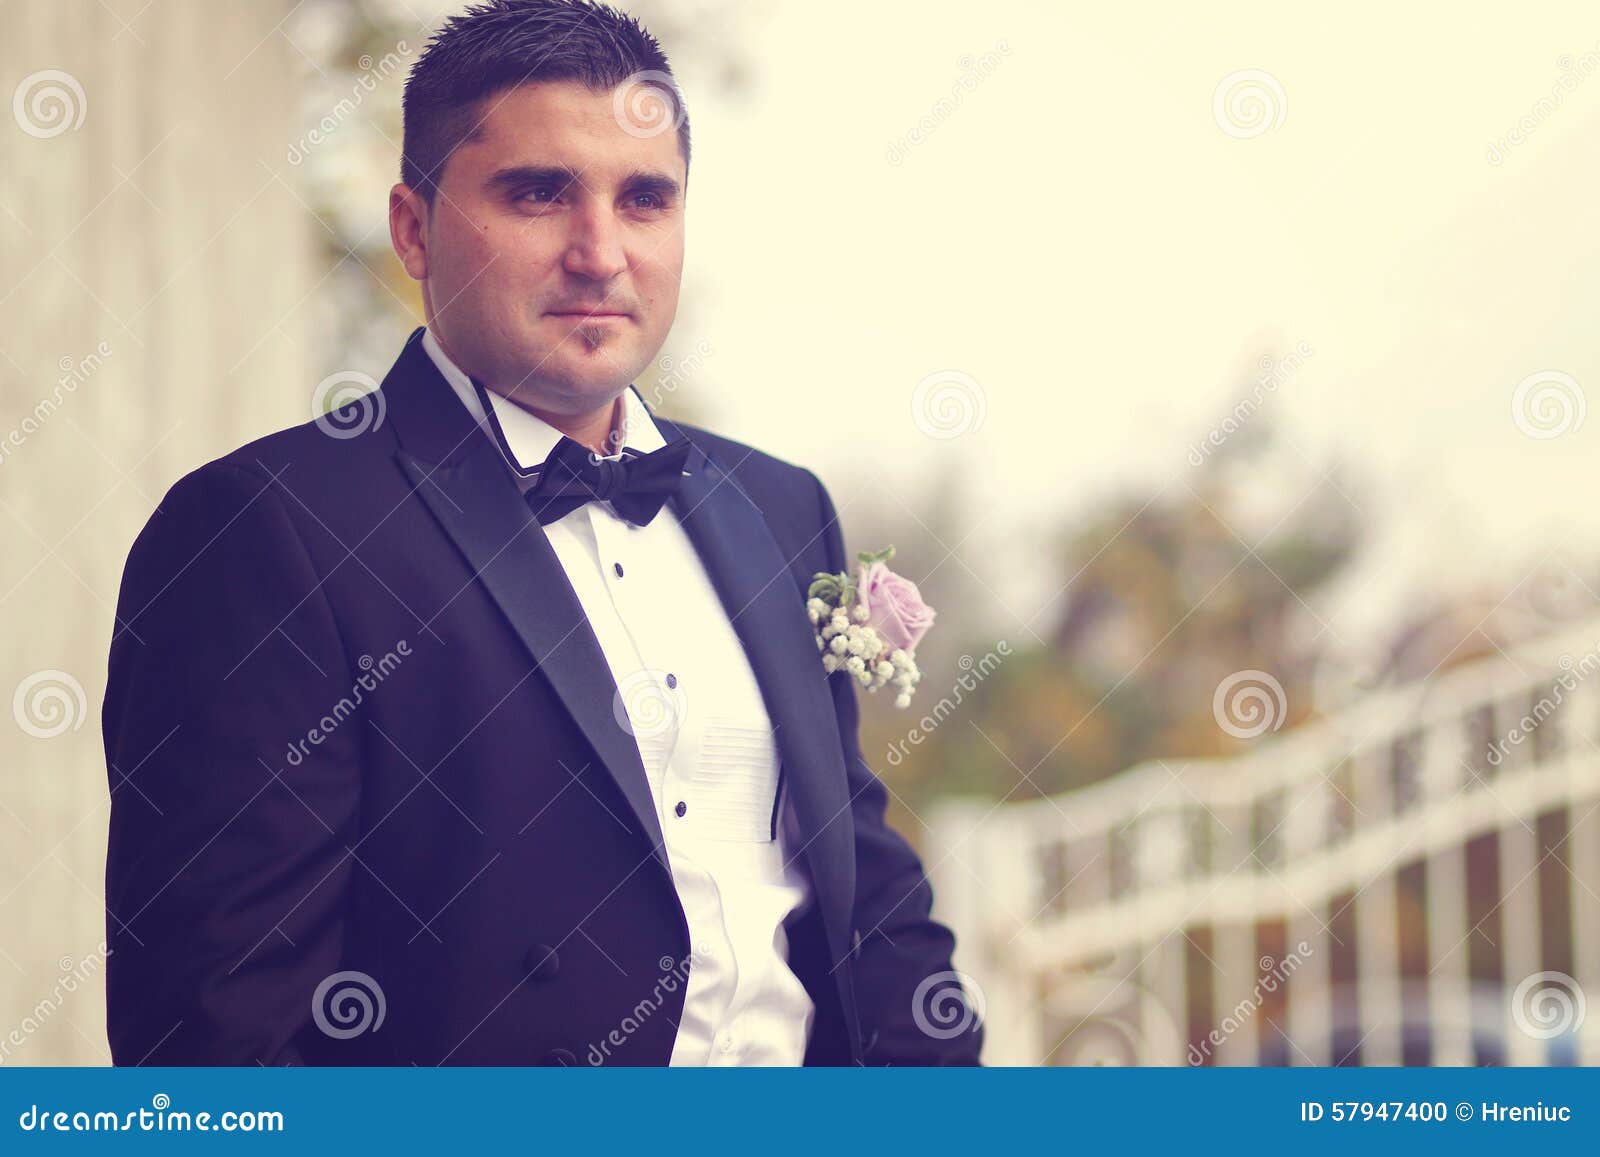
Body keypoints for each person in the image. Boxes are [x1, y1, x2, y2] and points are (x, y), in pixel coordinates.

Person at [101, 0, 981, 1066]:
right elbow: (219, 1029)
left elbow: (865, 902)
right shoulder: (264, 528)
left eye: (644, 200)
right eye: (538, 194)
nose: (600, 252)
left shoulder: (782, 509)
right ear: (414, 228)